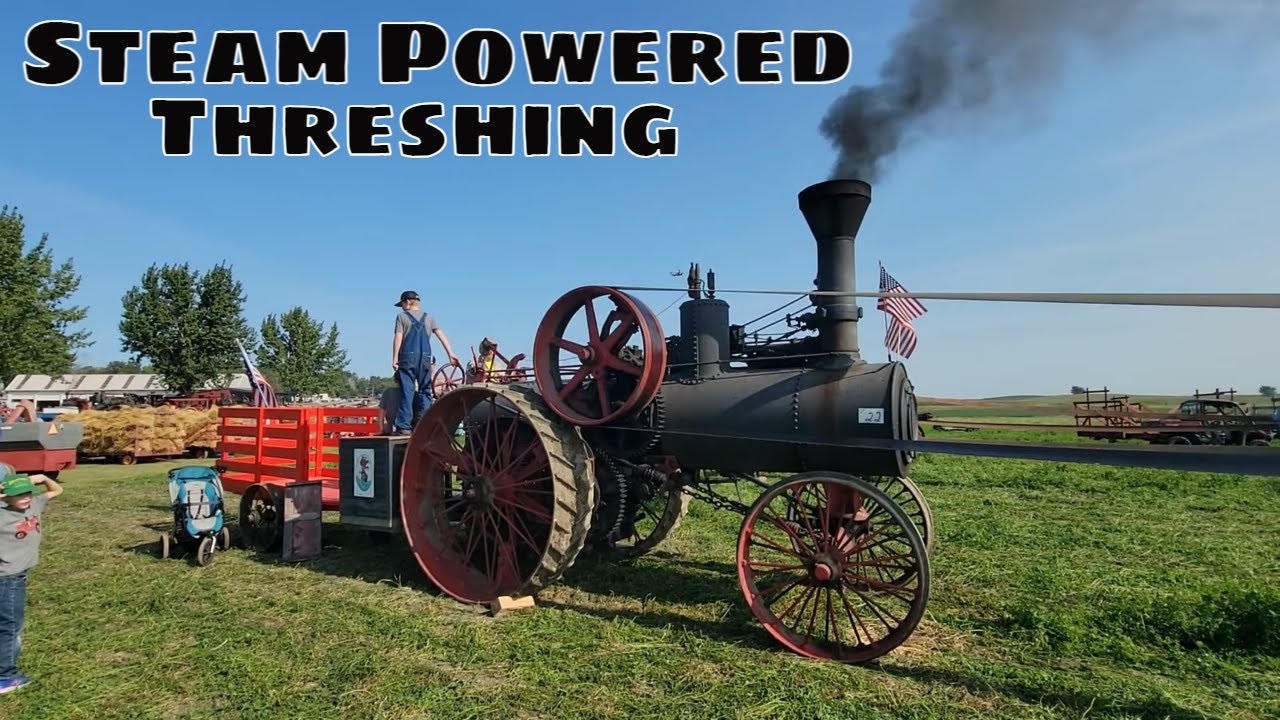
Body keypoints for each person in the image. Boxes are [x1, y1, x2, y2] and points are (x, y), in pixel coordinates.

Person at [0, 468, 62, 694]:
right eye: (20, 494)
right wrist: (4, 491)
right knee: (10, 627)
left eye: (28, 492)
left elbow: (57, 490)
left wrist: (43, 478)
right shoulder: (2, 513)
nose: (26, 497)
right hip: (8, 578)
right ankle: (5, 676)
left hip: (18, 575)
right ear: (7, 496)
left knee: (8, 625)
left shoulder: (34, 504)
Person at [392, 290, 459, 435]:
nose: (402, 307)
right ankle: (425, 425)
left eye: (402, 304)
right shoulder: (430, 318)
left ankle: (404, 426)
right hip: (425, 358)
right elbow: (441, 335)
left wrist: (395, 358)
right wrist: (450, 353)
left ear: (408, 302)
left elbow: (398, 337)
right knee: (425, 391)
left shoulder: (401, 317)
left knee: (407, 391)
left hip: (407, 357)